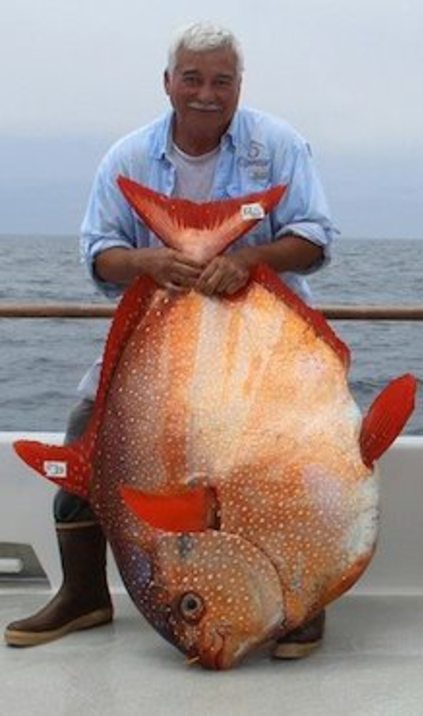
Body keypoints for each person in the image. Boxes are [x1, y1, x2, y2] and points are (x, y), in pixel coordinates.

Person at [4, 22, 338, 659]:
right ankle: (84, 595)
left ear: (239, 86)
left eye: (221, 80)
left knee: (291, 462)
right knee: (86, 439)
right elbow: (99, 254)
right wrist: (148, 262)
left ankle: (301, 597)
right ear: (168, 83)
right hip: (156, 340)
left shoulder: (280, 145)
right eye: (193, 78)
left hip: (262, 348)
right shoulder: (128, 158)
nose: (206, 93)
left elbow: (316, 239)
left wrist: (249, 259)